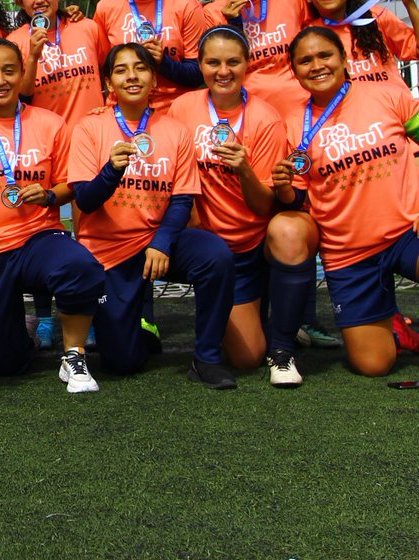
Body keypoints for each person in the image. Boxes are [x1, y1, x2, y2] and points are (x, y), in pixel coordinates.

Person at [68, 43, 237, 388]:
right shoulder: (89, 128)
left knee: (215, 255)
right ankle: (137, 326)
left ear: (154, 79)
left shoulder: (174, 130)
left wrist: (161, 242)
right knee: (123, 363)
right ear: (108, 83)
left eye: (140, 68)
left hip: (156, 244)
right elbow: (84, 200)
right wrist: (110, 172)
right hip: (108, 252)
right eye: (121, 70)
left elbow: (182, 199)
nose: (132, 75)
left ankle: (206, 358)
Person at [272, 27, 419, 377]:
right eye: (305, 60)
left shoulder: (387, 96)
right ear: (294, 71)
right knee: (374, 365)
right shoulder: (294, 126)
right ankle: (395, 328)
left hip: (405, 232)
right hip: (350, 254)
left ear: (344, 58)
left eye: (325, 55)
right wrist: (282, 188)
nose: (317, 65)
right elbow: (299, 201)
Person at [165, 27, 299, 385]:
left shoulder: (266, 119)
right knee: (246, 356)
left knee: (249, 357)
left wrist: (244, 169)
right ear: (200, 65)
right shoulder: (182, 108)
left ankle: (275, 313)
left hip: (248, 246)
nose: (223, 71)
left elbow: (264, 206)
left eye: (232, 62)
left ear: (247, 65)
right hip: (206, 244)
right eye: (213, 63)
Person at [0, 38, 103, 392]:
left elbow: (67, 184)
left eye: (10, 71)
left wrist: (47, 196)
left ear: (23, 73)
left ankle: (73, 354)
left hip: (37, 237)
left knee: (81, 267)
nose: (1, 80)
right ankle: (21, 328)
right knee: (2, 364)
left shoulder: (51, 123)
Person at [201, 0, 309, 115]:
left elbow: (312, 40)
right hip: (251, 112)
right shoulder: (212, 12)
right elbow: (223, 69)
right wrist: (233, 24)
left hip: (303, 104)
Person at [12, 0, 108, 129]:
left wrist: (108, 107)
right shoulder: (14, 43)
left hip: (94, 134)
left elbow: (109, 74)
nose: (39, 0)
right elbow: (20, 99)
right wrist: (33, 58)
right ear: (19, 2)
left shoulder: (88, 28)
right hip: (49, 140)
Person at [302, 0, 419, 92]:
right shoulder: (308, 35)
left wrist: (410, 3)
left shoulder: (375, 17)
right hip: (349, 111)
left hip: (397, 108)